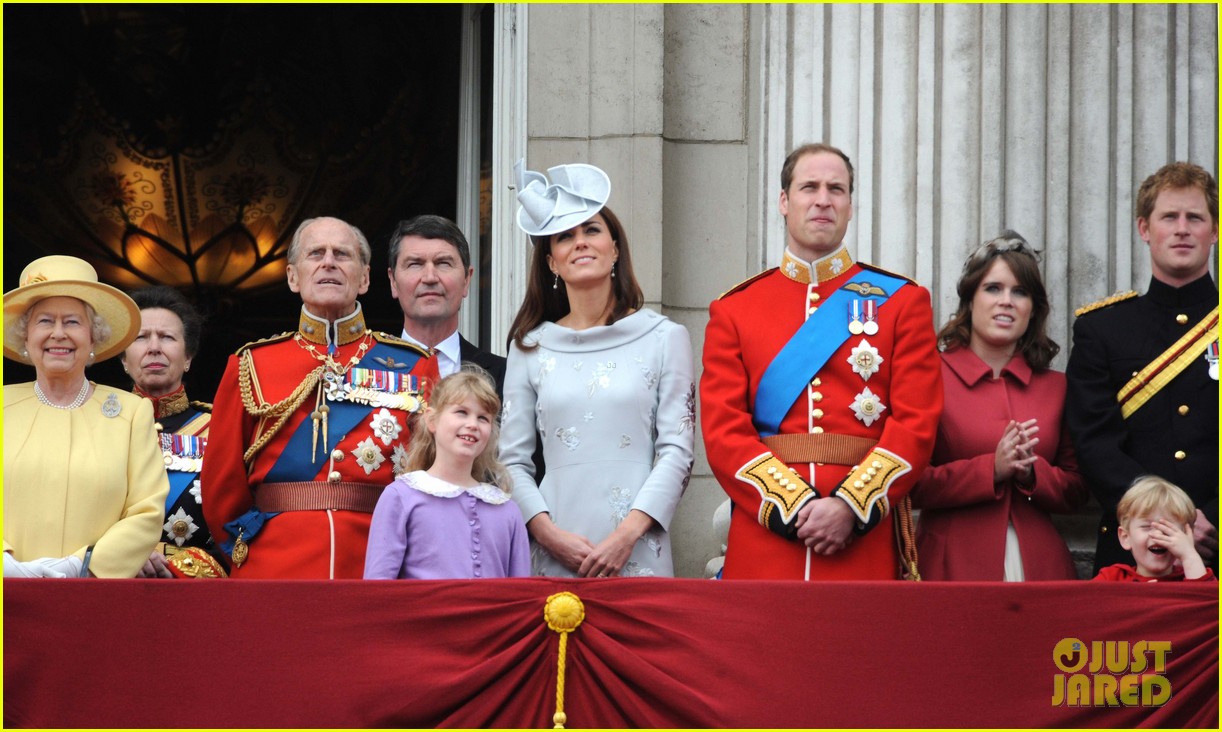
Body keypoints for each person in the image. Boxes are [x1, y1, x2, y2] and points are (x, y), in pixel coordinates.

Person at [701, 143, 942, 581]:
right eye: (808, 187)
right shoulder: (735, 308)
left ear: (850, 206)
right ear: (783, 201)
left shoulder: (902, 302)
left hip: (861, 537)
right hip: (767, 537)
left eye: (837, 189)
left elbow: (916, 423)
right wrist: (795, 509)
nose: (823, 199)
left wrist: (850, 507)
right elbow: (723, 431)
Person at [201, 216, 440, 579]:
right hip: (273, 567)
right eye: (316, 253)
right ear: (293, 277)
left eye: (342, 254)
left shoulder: (416, 366)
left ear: (364, 278)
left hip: (379, 562)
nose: (329, 261)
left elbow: (433, 473)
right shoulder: (250, 364)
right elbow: (222, 489)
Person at [501, 160, 695, 578]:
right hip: (553, 549)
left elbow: (677, 451)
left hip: (639, 548)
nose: (580, 242)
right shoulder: (530, 346)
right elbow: (512, 461)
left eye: (591, 230)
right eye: (565, 236)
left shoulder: (664, 336)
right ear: (551, 261)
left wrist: (627, 536)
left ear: (615, 249)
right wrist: (548, 534)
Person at [1066, 162, 1219, 575]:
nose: (1182, 229)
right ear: (1144, 229)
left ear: (1215, 230)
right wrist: (1157, 521)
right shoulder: (1101, 328)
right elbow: (1093, 439)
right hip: (1131, 553)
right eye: (1169, 217)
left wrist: (1214, 522)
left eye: (1195, 217)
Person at [910, 231, 1088, 581]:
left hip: (1041, 568)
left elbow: (1078, 489)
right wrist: (990, 469)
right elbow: (909, 483)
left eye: (1019, 292)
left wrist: (1030, 472)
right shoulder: (928, 375)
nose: (1006, 301)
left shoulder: (1057, 387)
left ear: (1032, 309)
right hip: (951, 565)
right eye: (993, 288)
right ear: (970, 299)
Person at [3, 255, 168, 578]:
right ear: (26, 337)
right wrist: (8, 568)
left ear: (94, 338)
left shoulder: (132, 412)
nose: (58, 334)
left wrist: (81, 565)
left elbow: (146, 510)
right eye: (45, 321)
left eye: (73, 322)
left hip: (95, 596)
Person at [364, 367, 530, 579]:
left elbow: (521, 592)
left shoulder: (507, 510)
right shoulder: (401, 496)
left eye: (483, 418)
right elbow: (378, 587)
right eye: (462, 412)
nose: (472, 425)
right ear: (432, 421)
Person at [121, 285, 226, 578]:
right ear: (123, 360)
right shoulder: (96, 424)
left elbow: (239, 522)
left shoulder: (220, 428)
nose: (154, 347)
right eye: (141, 338)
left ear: (188, 357)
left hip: (192, 587)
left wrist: (183, 568)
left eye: (167, 337)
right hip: (110, 581)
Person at [388, 214, 506, 390]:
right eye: (415, 264)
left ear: (467, 280)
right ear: (393, 282)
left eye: (443, 263)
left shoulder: (505, 376)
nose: (429, 278)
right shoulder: (363, 368)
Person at [1093, 476, 1214, 582]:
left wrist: (1189, 556)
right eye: (1146, 527)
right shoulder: (1112, 578)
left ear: (1188, 536)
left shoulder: (1195, 576)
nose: (1157, 535)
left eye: (1167, 528)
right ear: (1126, 537)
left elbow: (1208, 600)